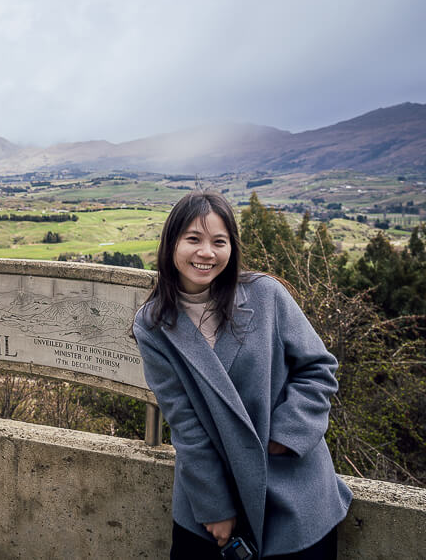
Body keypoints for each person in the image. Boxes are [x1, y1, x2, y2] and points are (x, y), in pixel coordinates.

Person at [132, 190, 352, 558]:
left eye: (219, 242)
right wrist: (214, 507)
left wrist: (285, 435)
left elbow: (318, 368)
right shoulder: (154, 325)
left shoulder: (265, 295)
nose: (207, 253)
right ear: (171, 244)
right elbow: (184, 423)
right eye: (193, 239)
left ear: (231, 248)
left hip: (291, 485)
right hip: (211, 490)